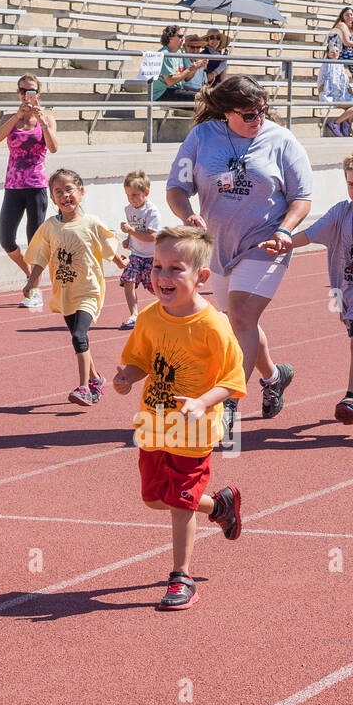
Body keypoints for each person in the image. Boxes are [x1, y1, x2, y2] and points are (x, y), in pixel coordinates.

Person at [166, 76, 314, 445]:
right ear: (226, 112)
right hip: (217, 248)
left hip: (265, 245)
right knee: (239, 320)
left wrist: (285, 229)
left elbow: (302, 198)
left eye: (261, 111)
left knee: (242, 317)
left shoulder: (282, 140)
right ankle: (274, 376)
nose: (257, 119)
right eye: (248, 114)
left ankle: (228, 403)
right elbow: (176, 188)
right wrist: (187, 215)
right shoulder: (202, 137)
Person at [112, 227, 246, 611]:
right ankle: (219, 506)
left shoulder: (213, 325)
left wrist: (203, 402)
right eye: (157, 266)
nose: (162, 276)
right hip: (154, 422)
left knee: (180, 499)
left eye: (175, 268)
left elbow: (233, 380)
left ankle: (180, 576)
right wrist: (127, 378)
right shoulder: (151, 316)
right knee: (154, 498)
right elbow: (139, 359)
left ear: (202, 277)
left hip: (194, 428)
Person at [262, 149, 353, 424]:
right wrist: (283, 242)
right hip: (346, 286)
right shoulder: (341, 212)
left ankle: (351, 399)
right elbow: (311, 234)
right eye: (351, 184)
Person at [22, 169, 128, 405]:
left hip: (88, 290)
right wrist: (32, 281)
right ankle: (96, 378)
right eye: (58, 192)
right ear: (52, 198)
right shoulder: (50, 226)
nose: (64, 196)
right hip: (65, 290)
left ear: (81, 192)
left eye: (69, 190)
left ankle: (84, 388)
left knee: (80, 335)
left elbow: (109, 247)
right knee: (78, 339)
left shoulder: (91, 223)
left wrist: (122, 262)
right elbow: (41, 256)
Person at [0, 73, 59, 309]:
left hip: (36, 186)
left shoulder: (48, 118)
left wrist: (41, 120)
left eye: (31, 91)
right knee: (6, 239)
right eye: (23, 91)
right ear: (18, 93)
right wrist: (18, 116)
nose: (26, 95)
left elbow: (53, 147)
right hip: (13, 185)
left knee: (34, 241)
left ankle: (34, 289)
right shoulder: (9, 117)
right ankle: (29, 273)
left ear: (38, 94)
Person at [118, 169, 163, 330]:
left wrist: (130, 231)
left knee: (156, 287)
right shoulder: (128, 209)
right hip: (136, 255)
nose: (131, 199)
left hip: (152, 256)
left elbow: (152, 237)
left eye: (135, 195)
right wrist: (128, 240)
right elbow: (136, 230)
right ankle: (134, 314)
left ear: (146, 192)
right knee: (128, 279)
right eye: (128, 195)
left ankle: (170, 309)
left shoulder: (152, 212)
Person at [317, 36, 353, 136]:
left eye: (337, 51)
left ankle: (345, 124)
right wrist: (325, 95)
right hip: (330, 95)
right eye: (332, 51)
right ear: (328, 53)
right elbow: (322, 85)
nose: (335, 53)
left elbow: (345, 84)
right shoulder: (326, 65)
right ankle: (336, 123)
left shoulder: (340, 64)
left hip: (340, 95)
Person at [153, 25, 206, 103]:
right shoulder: (165, 54)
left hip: (175, 90)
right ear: (170, 38)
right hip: (162, 93)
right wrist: (190, 69)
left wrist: (195, 69)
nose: (183, 39)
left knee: (205, 98)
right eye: (180, 36)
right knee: (201, 99)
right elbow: (170, 81)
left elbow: (186, 78)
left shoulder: (179, 52)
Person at [329, 8, 353, 88]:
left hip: (344, 52)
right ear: (342, 16)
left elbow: (348, 46)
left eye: (351, 14)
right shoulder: (341, 25)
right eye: (347, 15)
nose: (349, 16)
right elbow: (346, 42)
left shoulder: (349, 28)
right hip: (336, 53)